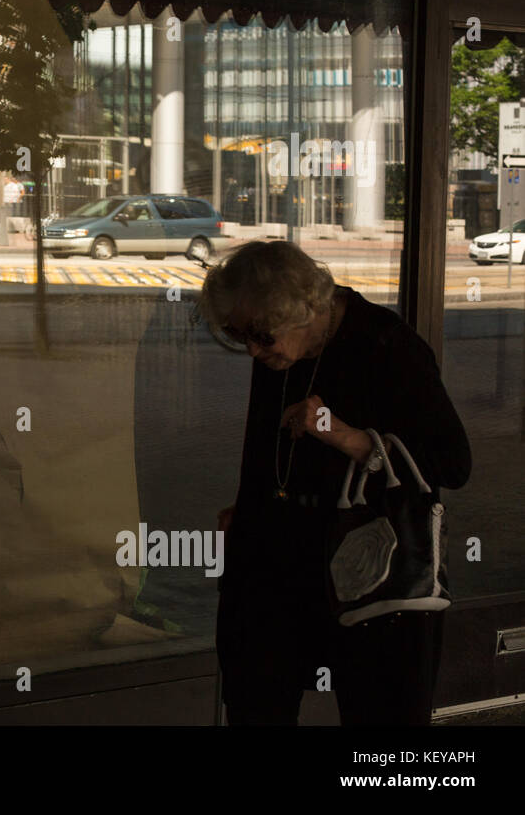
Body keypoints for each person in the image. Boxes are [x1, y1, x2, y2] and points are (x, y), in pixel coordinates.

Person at [199, 240, 471, 725]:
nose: (254, 350)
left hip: (370, 569)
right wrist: (254, 505)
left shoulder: (388, 345)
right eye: (239, 334)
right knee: (255, 699)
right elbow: (268, 449)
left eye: (261, 334)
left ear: (305, 309)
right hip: (277, 559)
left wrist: (344, 436)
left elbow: (452, 464)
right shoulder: (279, 350)